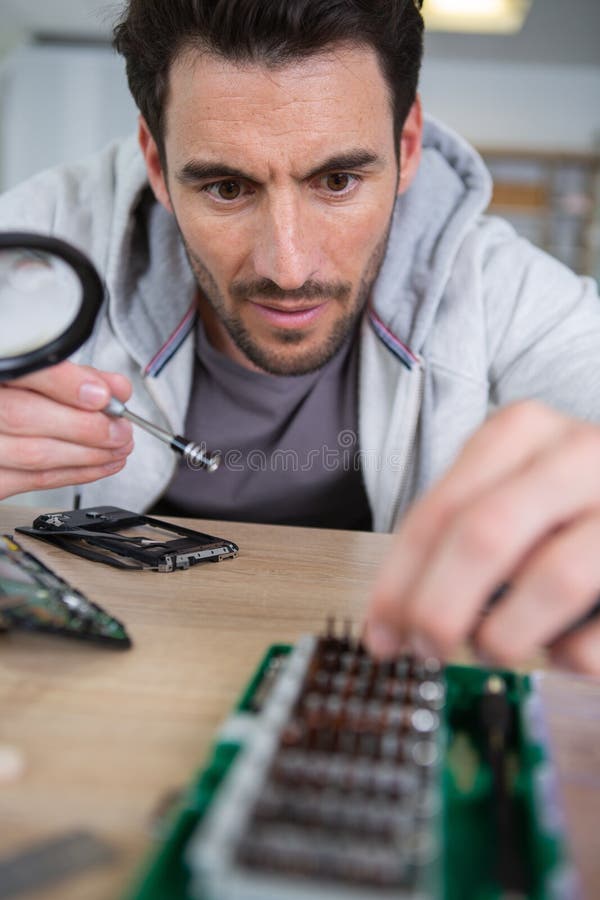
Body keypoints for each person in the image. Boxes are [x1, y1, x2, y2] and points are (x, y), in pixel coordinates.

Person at [1, 0, 600, 674]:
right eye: (227, 187)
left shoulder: (487, 277)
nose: (288, 268)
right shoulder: (46, 234)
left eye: (338, 181)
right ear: (156, 162)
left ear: (407, 149)